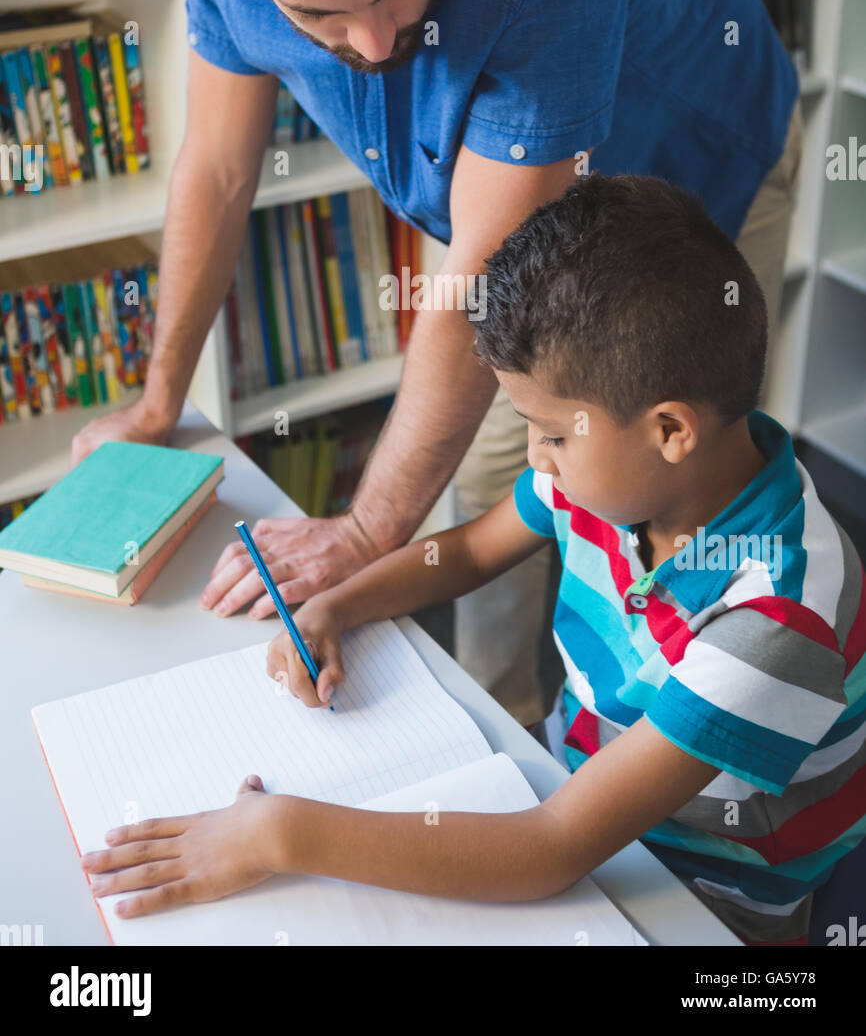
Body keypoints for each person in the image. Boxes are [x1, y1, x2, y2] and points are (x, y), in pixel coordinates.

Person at [71, 0, 801, 725]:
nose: (372, 46)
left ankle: (687, 764)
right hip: (535, 227)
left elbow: (475, 277)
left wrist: (367, 533)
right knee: (510, 466)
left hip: (702, 158)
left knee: (675, 481)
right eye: (321, 13)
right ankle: (510, 724)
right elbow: (218, 171)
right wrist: (156, 402)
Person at [81, 174, 865, 948]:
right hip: (576, 781)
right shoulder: (622, 476)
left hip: (712, 896)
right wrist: (338, 605)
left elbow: (550, 850)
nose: (536, 459)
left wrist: (277, 836)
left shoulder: (776, 623)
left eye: (552, 433)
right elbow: (459, 554)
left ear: (669, 430)